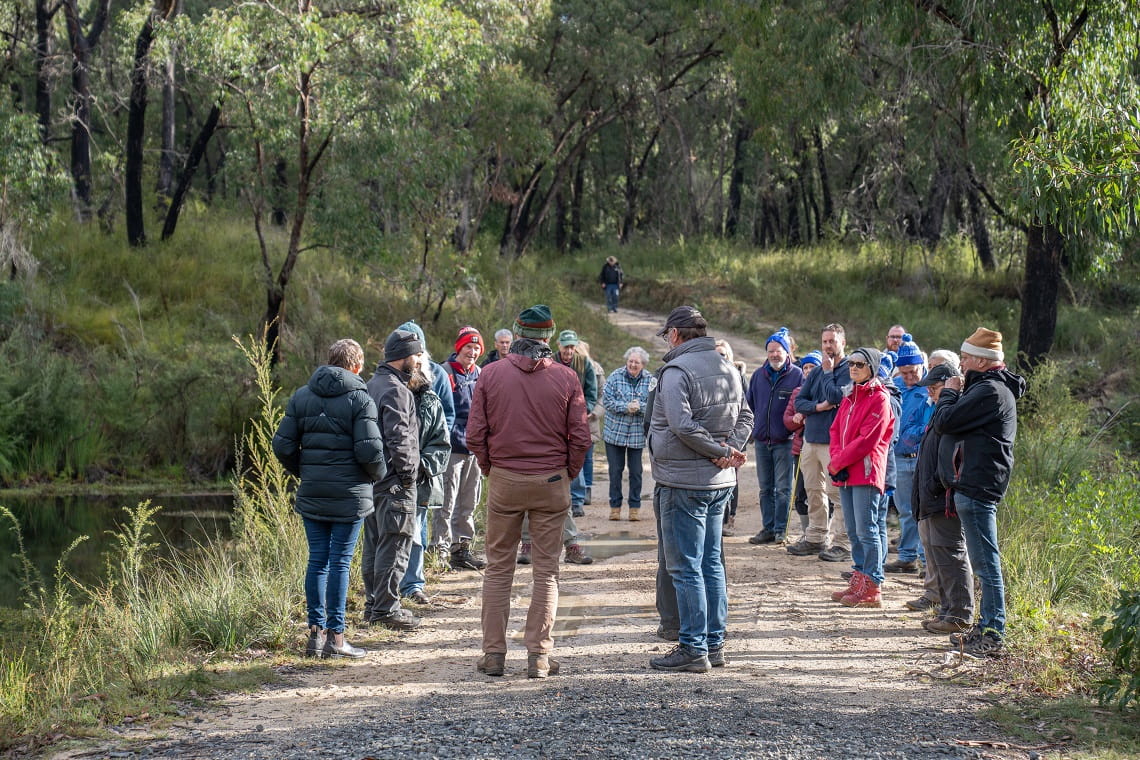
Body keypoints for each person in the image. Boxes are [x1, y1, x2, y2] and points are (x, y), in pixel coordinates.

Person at [466, 304, 591, 678]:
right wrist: (566, 473)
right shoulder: (566, 379)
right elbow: (581, 438)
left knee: (498, 569)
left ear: (517, 335)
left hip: (505, 479)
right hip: (550, 481)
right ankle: (538, 656)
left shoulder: (489, 374)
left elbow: (474, 435)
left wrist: (492, 468)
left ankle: (493, 655)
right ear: (549, 338)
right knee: (546, 572)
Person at [648, 306, 753, 673]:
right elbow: (746, 416)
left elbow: (682, 425)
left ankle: (693, 646)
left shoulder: (677, 371)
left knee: (687, 566)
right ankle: (714, 642)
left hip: (684, 482)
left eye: (666, 335)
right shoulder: (726, 365)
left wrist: (723, 452)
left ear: (676, 334)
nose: (666, 341)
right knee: (710, 563)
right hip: (717, 481)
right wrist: (728, 452)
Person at [273, 339, 385, 659]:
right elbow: (370, 450)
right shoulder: (361, 400)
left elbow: (281, 445)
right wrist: (376, 475)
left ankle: (315, 635)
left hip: (314, 491)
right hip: (350, 496)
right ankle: (336, 639)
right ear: (357, 367)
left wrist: (305, 471)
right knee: (340, 562)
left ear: (329, 360)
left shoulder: (302, 396)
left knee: (317, 561)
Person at [932, 328, 1024, 657]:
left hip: (978, 487)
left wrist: (949, 392)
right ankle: (987, 628)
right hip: (973, 485)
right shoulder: (987, 387)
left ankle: (993, 635)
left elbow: (945, 421)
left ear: (984, 362)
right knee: (983, 563)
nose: (963, 365)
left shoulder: (989, 392)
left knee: (986, 565)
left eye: (967, 358)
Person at [363, 329, 423, 631]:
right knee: (395, 544)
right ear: (404, 356)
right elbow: (399, 438)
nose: (420, 359)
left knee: (375, 544)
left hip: (374, 482)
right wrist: (409, 475)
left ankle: (374, 604)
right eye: (417, 354)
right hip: (394, 484)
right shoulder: (397, 390)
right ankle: (386, 609)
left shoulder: (373, 384)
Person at [826, 347, 895, 608]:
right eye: (851, 364)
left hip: (865, 472)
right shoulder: (850, 396)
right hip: (845, 472)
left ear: (872, 368)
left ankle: (873, 585)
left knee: (868, 530)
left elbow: (868, 439)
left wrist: (838, 461)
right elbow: (835, 430)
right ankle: (859, 578)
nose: (853, 368)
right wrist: (836, 460)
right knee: (854, 531)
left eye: (860, 364)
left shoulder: (880, 398)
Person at [911, 363, 974, 633]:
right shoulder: (939, 412)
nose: (931, 394)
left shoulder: (953, 414)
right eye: (930, 389)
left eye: (935, 389)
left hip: (944, 497)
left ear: (949, 386)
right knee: (940, 556)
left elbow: (953, 458)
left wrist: (937, 485)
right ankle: (948, 611)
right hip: (933, 497)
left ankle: (959, 615)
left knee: (952, 555)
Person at [791, 323, 852, 561]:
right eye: (825, 341)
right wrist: (818, 407)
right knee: (813, 490)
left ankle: (842, 543)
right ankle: (816, 537)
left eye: (832, 341)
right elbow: (800, 402)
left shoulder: (850, 370)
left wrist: (828, 374)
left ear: (843, 343)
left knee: (836, 492)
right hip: (811, 439)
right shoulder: (816, 372)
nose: (828, 345)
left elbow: (836, 396)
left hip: (834, 442)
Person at [400, 352, 451, 606]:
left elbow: (441, 443)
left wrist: (421, 466)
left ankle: (413, 585)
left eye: (420, 364)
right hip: (389, 479)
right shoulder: (386, 393)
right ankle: (384, 587)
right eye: (412, 363)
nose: (415, 369)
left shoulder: (432, 401)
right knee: (386, 535)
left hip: (420, 479)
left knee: (417, 536)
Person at [745, 327, 803, 545]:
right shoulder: (759, 375)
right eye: (770, 351)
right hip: (762, 441)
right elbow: (749, 405)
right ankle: (767, 528)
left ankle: (781, 530)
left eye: (778, 351)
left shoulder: (797, 376)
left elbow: (801, 407)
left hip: (785, 442)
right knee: (765, 489)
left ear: (787, 352)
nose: (774, 355)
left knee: (784, 489)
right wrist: (752, 430)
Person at [436, 326, 487, 572]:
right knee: (446, 501)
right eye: (469, 346)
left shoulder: (481, 374)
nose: (473, 351)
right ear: (459, 348)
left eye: (477, 348)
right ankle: (440, 552)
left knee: (469, 501)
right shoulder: (444, 373)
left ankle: (461, 550)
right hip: (451, 448)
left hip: (475, 448)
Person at [885, 333, 930, 576]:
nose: (910, 376)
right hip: (899, 459)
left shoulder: (929, 388)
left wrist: (905, 434)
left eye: (913, 371)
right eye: (904, 372)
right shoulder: (897, 387)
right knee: (905, 511)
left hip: (921, 459)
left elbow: (926, 427)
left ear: (921, 365)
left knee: (923, 512)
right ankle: (907, 557)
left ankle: (926, 561)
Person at [601, 346, 653, 521]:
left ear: (643, 364)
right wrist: (625, 407)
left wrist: (639, 408)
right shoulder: (615, 376)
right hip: (614, 434)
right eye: (630, 361)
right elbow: (607, 401)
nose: (632, 364)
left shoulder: (650, 380)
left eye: (636, 362)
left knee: (636, 472)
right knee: (615, 471)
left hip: (637, 435)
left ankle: (634, 508)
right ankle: (615, 507)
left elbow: (655, 405)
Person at [783, 351, 822, 543]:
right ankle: (808, 533)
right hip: (800, 449)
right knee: (800, 494)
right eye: (805, 367)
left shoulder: (825, 392)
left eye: (812, 367)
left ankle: (822, 533)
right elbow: (787, 421)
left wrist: (808, 415)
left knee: (819, 492)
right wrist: (797, 419)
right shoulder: (798, 392)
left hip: (821, 447)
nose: (807, 371)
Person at [714, 339, 747, 536]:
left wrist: (736, 442)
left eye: (723, 354)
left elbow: (746, 411)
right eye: (716, 354)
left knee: (732, 478)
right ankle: (717, 519)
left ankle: (729, 518)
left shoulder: (738, 377)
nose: (720, 358)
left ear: (730, 357)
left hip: (734, 438)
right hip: (715, 438)